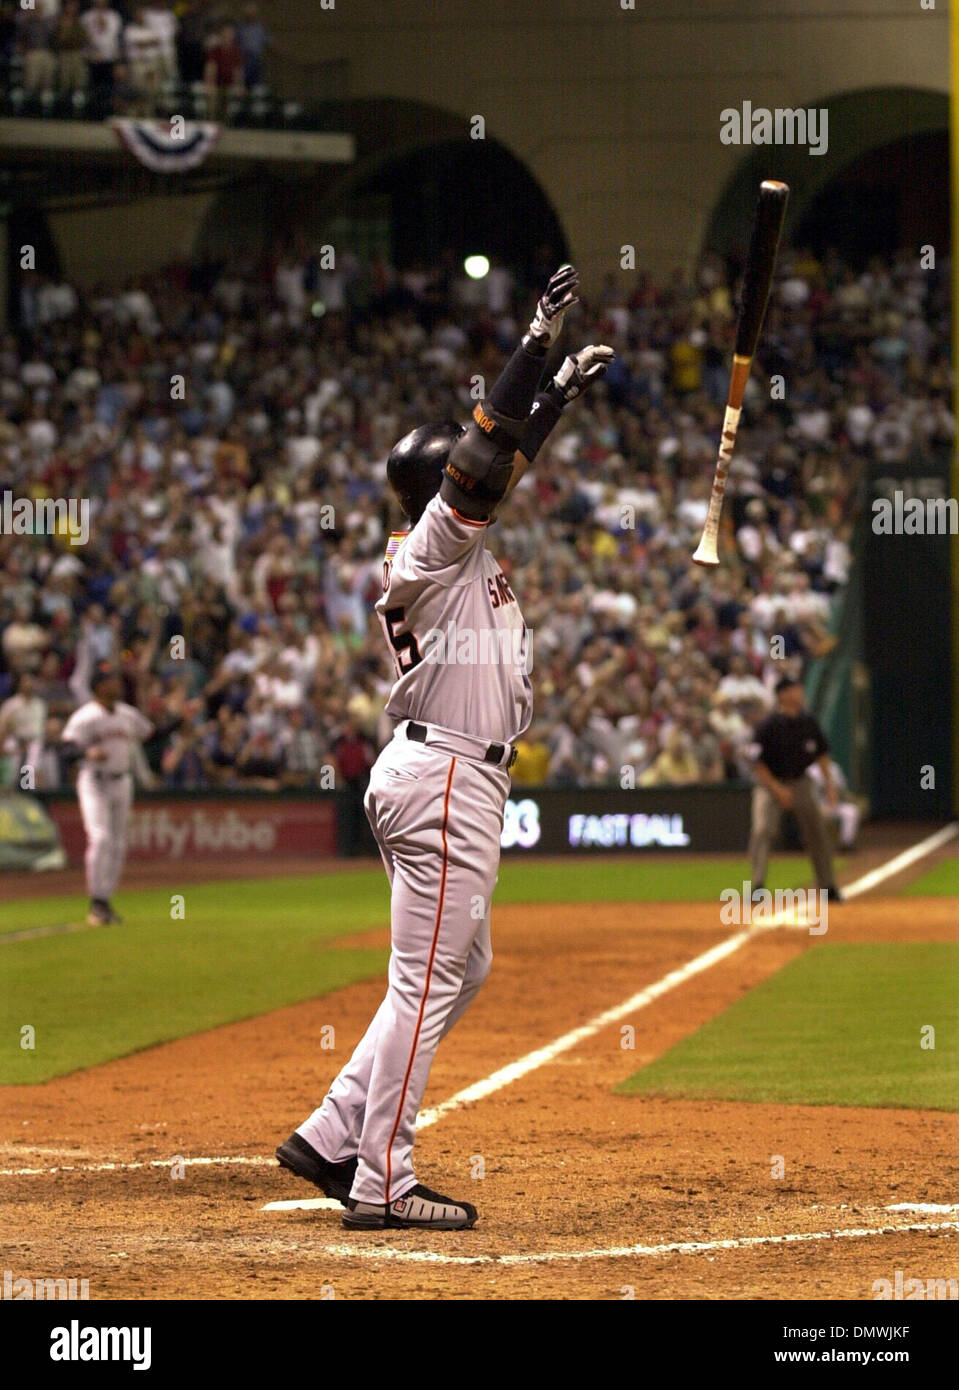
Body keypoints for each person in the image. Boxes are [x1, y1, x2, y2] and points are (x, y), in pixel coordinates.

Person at [276, 266, 613, 1231]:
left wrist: (550, 401)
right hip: (446, 773)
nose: (496, 470)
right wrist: (533, 351)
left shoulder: (451, 546)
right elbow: (479, 461)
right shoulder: (429, 546)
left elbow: (494, 461)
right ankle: (381, 1180)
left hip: (450, 771)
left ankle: (333, 1130)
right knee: (427, 982)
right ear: (438, 491)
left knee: (454, 972)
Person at [60, 664, 154, 927]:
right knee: (100, 838)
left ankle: (104, 901)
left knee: (118, 844)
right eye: (110, 680)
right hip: (94, 781)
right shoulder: (85, 716)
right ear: (99, 687)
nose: (116, 683)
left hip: (122, 781)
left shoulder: (126, 714)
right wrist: (86, 754)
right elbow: (65, 750)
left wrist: (180, 720)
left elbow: (152, 735)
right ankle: (97, 901)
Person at [747, 676, 843, 901]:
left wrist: (830, 785)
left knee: (817, 832)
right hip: (769, 784)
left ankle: (828, 885)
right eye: (796, 689)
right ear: (784, 694)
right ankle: (758, 886)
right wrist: (778, 790)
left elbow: (822, 754)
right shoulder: (768, 725)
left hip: (800, 782)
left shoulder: (808, 722)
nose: (801, 693)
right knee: (762, 830)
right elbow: (757, 764)